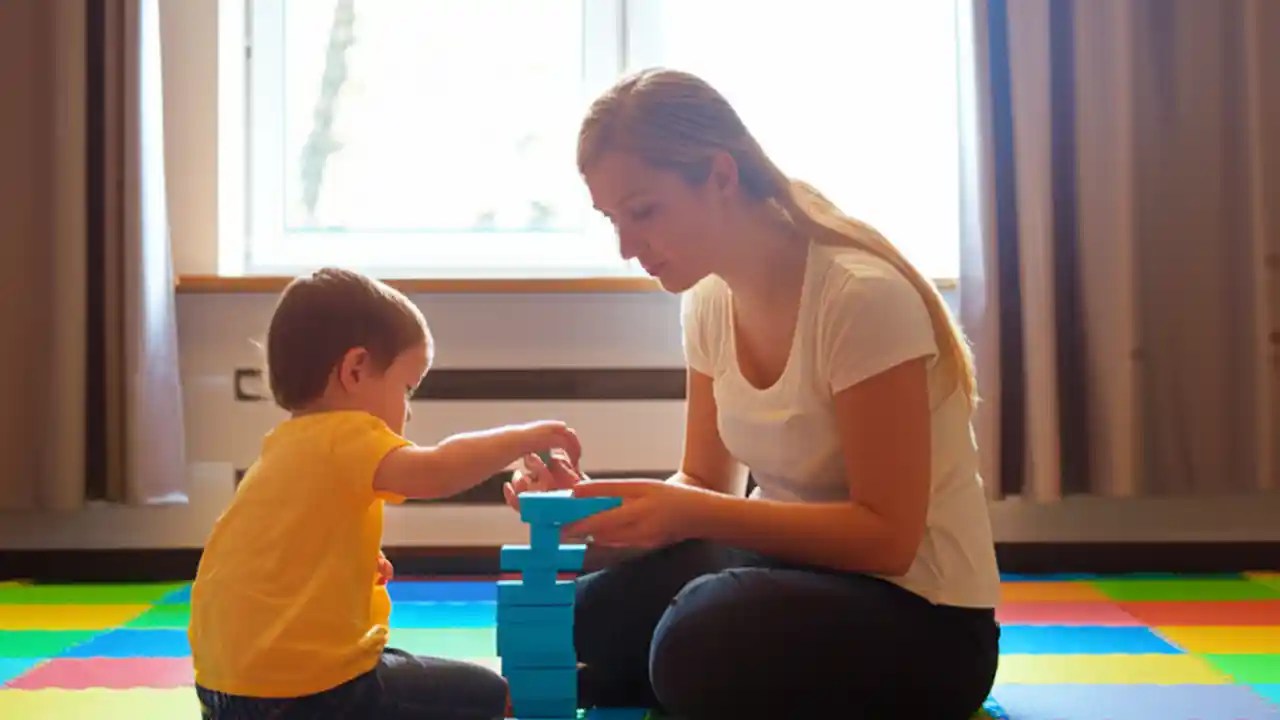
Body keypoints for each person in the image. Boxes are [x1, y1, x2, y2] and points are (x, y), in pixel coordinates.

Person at [505, 68, 1002, 719]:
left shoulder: (860, 298)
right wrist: (595, 514)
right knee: (590, 612)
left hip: (924, 619)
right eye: (611, 219)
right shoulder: (709, 300)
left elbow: (888, 538)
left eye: (643, 211)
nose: (627, 246)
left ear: (719, 174)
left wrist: (683, 512)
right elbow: (705, 483)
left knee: (698, 639)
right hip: (793, 573)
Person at [188, 267, 582, 719]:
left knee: (397, 666)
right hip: (310, 694)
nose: (407, 412)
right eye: (406, 388)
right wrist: (523, 437)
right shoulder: (345, 435)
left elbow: (267, 565)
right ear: (355, 369)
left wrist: (346, 568)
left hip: (224, 694)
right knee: (489, 694)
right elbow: (436, 471)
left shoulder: (282, 450)